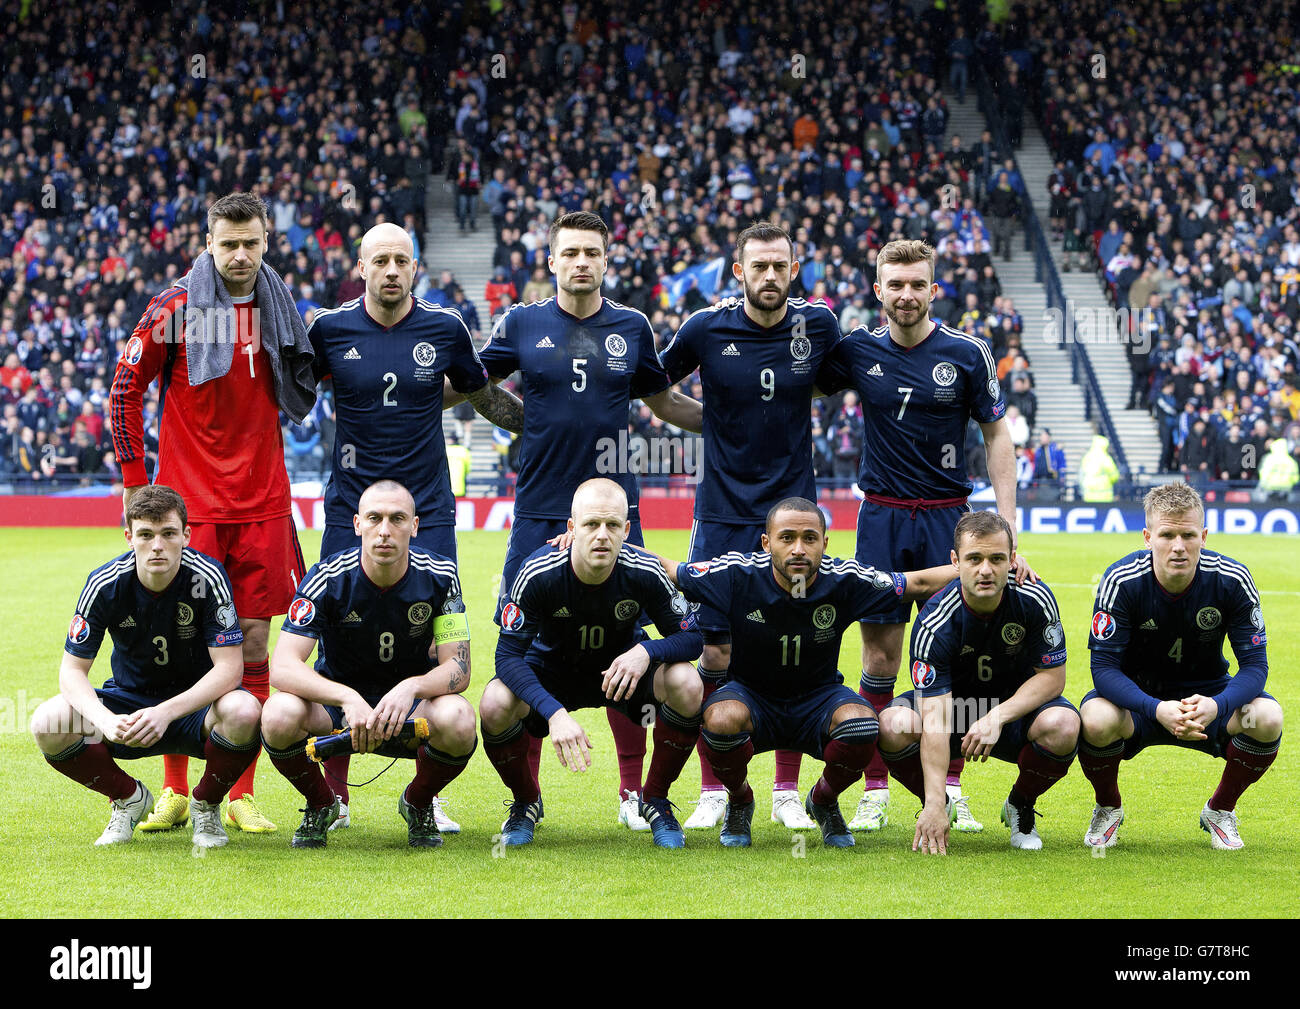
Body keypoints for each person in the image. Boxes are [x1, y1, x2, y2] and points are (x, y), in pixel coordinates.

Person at [461, 211, 702, 832]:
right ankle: (529, 797)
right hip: (541, 507)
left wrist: (726, 425)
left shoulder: (632, 325)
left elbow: (663, 400)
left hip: (614, 509)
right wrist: (525, 422)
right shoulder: (521, 321)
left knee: (631, 640)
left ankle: (632, 792)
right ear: (551, 260)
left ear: (605, 259)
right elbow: (477, 387)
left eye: (592, 252)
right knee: (525, 646)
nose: (581, 263)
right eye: (570, 253)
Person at [110, 192, 318, 834]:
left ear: (266, 241)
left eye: (251, 242)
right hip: (189, 506)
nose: (239, 254)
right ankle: (174, 789)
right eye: (227, 243)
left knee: (253, 645)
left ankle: (235, 793)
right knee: (185, 649)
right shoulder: (176, 308)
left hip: (261, 504)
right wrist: (134, 484)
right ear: (207, 242)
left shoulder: (280, 309)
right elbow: (124, 387)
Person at [303, 222, 522, 829]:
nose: (393, 270)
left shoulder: (445, 327)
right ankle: (336, 796)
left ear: (416, 267)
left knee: (435, 641)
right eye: (382, 260)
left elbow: (485, 397)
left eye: (403, 260)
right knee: (336, 641)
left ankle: (428, 793)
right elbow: (288, 396)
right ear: (362, 265)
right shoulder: (329, 328)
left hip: (427, 511)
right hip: (352, 509)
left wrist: (544, 428)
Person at [818, 239, 1028, 833]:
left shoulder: (967, 353)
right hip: (880, 516)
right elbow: (796, 389)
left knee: (950, 656)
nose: (906, 295)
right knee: (880, 655)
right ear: (878, 288)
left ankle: (950, 787)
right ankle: (876, 785)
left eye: (918, 284)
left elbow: (997, 436)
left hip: (947, 518)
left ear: (933, 290)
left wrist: (1007, 528)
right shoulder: (856, 349)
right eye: (896, 284)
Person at [658, 221, 844, 831]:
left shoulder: (817, 326)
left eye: (780, 266)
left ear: (796, 270)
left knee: (797, 646)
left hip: (793, 515)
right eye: (757, 266)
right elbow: (657, 393)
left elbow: (837, 380)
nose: (769, 276)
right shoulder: (705, 329)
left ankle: (787, 788)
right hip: (720, 512)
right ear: (738, 272)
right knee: (716, 646)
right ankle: (718, 784)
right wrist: (714, 425)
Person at [662, 497, 956, 847]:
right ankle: (740, 800)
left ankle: (823, 800)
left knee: (863, 725)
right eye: (787, 538)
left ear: (825, 543)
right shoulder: (737, 574)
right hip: (750, 695)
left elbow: (916, 584)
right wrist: (609, 544)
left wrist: (986, 568)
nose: (799, 549)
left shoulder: (845, 580)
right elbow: (673, 571)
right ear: (766, 542)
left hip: (818, 699)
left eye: (810, 538)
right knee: (719, 719)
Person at [30, 486, 260, 848]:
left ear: (186, 534)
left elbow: (229, 669)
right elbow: (71, 672)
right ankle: (128, 798)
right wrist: (104, 720)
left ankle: (206, 805)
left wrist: (166, 713)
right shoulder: (104, 584)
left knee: (245, 710)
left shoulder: (207, 577)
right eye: (146, 535)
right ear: (129, 537)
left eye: (168, 533)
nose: (157, 545)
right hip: (127, 705)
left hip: (193, 709)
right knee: (48, 722)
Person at [481, 479, 704, 849]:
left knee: (686, 682)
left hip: (623, 678)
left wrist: (646, 652)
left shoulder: (646, 570)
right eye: (591, 525)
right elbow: (506, 657)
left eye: (613, 525)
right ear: (572, 528)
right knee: (494, 702)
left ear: (627, 530)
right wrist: (554, 713)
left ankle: (655, 801)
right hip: (552, 676)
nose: (602, 535)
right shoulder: (538, 572)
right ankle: (525, 803)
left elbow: (693, 638)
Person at [262, 480, 477, 848]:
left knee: (459, 719)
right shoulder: (327, 577)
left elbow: (458, 668)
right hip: (335, 711)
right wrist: (346, 698)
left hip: (408, 709)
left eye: (397, 519)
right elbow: (282, 667)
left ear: (415, 526)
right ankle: (321, 803)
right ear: (357, 524)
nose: (385, 530)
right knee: (278, 714)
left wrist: (412, 687)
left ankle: (418, 802)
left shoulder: (441, 576)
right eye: (375, 518)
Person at [1079, 482, 1283, 850]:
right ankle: (1108, 806)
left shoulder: (1232, 579)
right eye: (1167, 534)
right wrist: (1155, 708)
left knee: (1266, 718)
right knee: (1095, 719)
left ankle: (1220, 810)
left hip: (1208, 699)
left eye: (1188, 535)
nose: (1178, 546)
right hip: (1139, 703)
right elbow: (1103, 669)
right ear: (1147, 536)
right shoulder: (1120, 580)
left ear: (1203, 536)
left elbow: (1255, 667)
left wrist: (1216, 705)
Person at [880, 512, 1078, 855]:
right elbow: (937, 719)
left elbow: (1053, 678)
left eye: (997, 559)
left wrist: (997, 716)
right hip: (953, 713)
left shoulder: (1035, 597)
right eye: (974, 559)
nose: (985, 570)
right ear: (956, 562)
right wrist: (933, 802)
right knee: (892, 725)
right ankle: (938, 804)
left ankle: (1021, 804)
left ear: (1012, 560)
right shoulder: (934, 621)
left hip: (1014, 712)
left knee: (1063, 725)